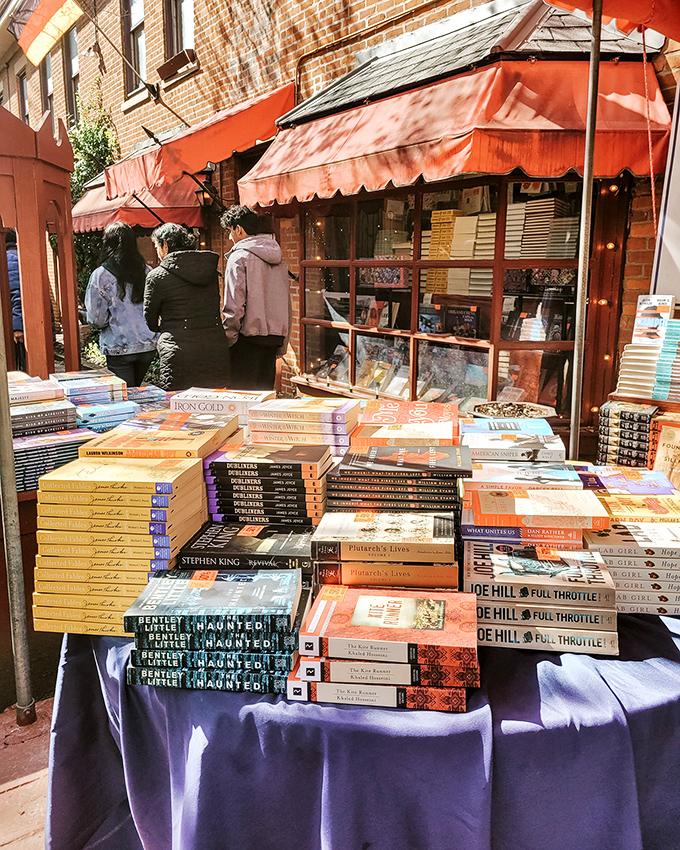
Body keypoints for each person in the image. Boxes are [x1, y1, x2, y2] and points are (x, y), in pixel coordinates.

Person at [144, 223, 230, 391]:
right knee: (215, 409)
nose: (157, 251)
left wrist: (169, 327)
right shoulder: (209, 271)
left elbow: (150, 319)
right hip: (214, 347)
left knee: (180, 410)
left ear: (165, 245)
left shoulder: (157, 276)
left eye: (157, 246)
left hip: (178, 351)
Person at [220, 205, 291, 390]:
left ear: (239, 229)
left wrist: (227, 339)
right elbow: (286, 304)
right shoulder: (279, 259)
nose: (229, 237)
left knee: (242, 403)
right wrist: (283, 344)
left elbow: (234, 305)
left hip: (246, 341)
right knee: (263, 401)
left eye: (230, 231)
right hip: (272, 340)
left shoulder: (239, 257)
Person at [84, 222, 158, 387]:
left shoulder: (101, 276)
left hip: (119, 346)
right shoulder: (147, 271)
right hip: (148, 344)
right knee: (136, 390)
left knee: (125, 396)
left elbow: (97, 319)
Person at [4, 230, 26, 371]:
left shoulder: (8, 259)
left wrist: (17, 327)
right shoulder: (22, 255)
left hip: (16, 325)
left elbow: (16, 292)